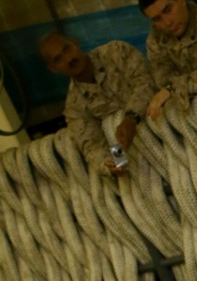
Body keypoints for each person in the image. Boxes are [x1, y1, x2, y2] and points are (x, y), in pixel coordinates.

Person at [40, 32, 154, 176]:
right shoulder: (74, 107)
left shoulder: (117, 52)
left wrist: (130, 118)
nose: (69, 59)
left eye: (67, 49)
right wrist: (115, 163)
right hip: (141, 161)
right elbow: (93, 146)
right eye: (58, 59)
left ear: (75, 43)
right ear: (53, 69)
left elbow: (147, 84)